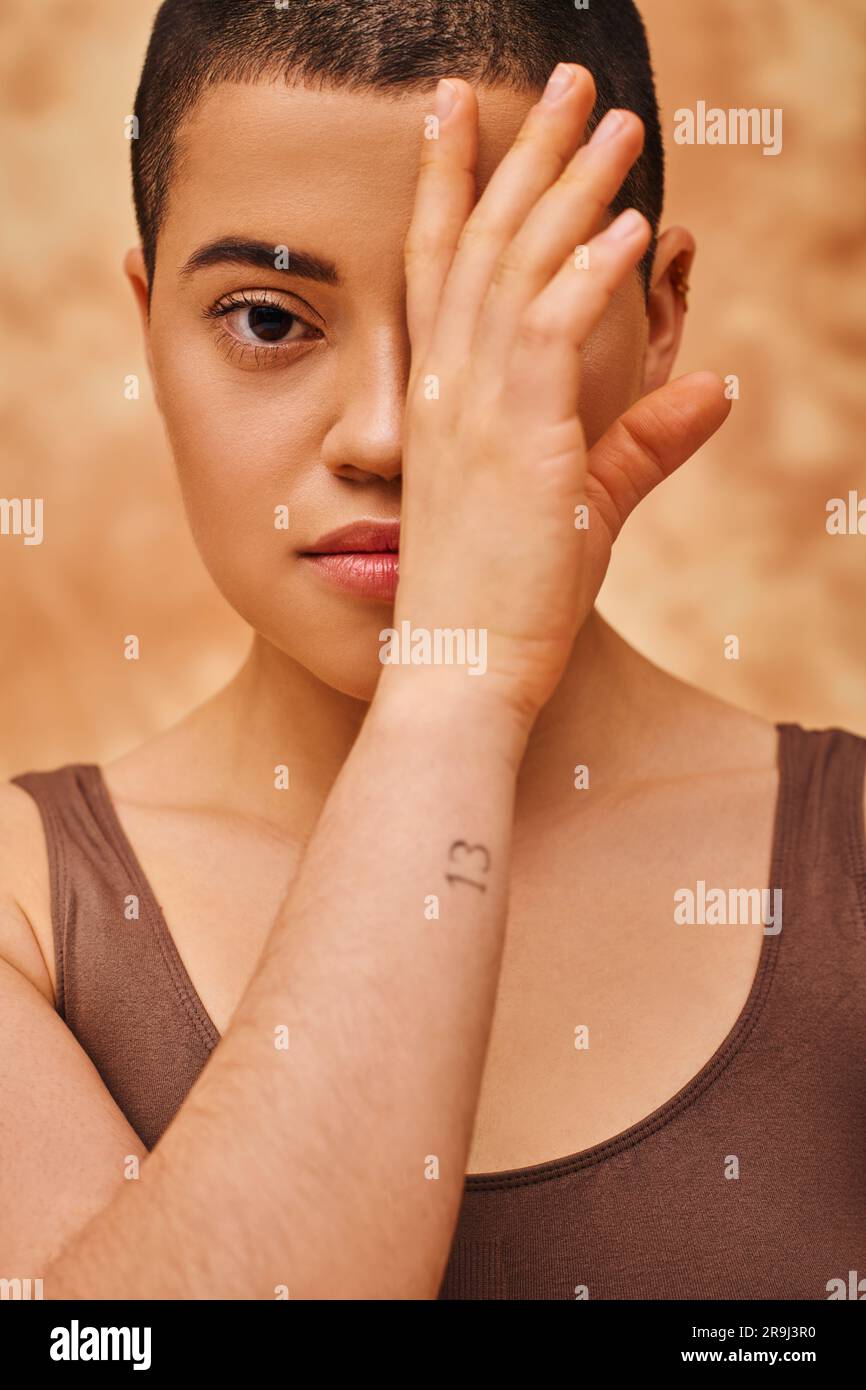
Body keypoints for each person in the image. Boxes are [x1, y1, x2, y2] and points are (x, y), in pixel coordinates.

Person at [1, 0, 863, 1301]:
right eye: (269, 319)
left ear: (660, 312)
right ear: (146, 325)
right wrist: (456, 685)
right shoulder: (31, 916)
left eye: (493, 317)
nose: (392, 436)